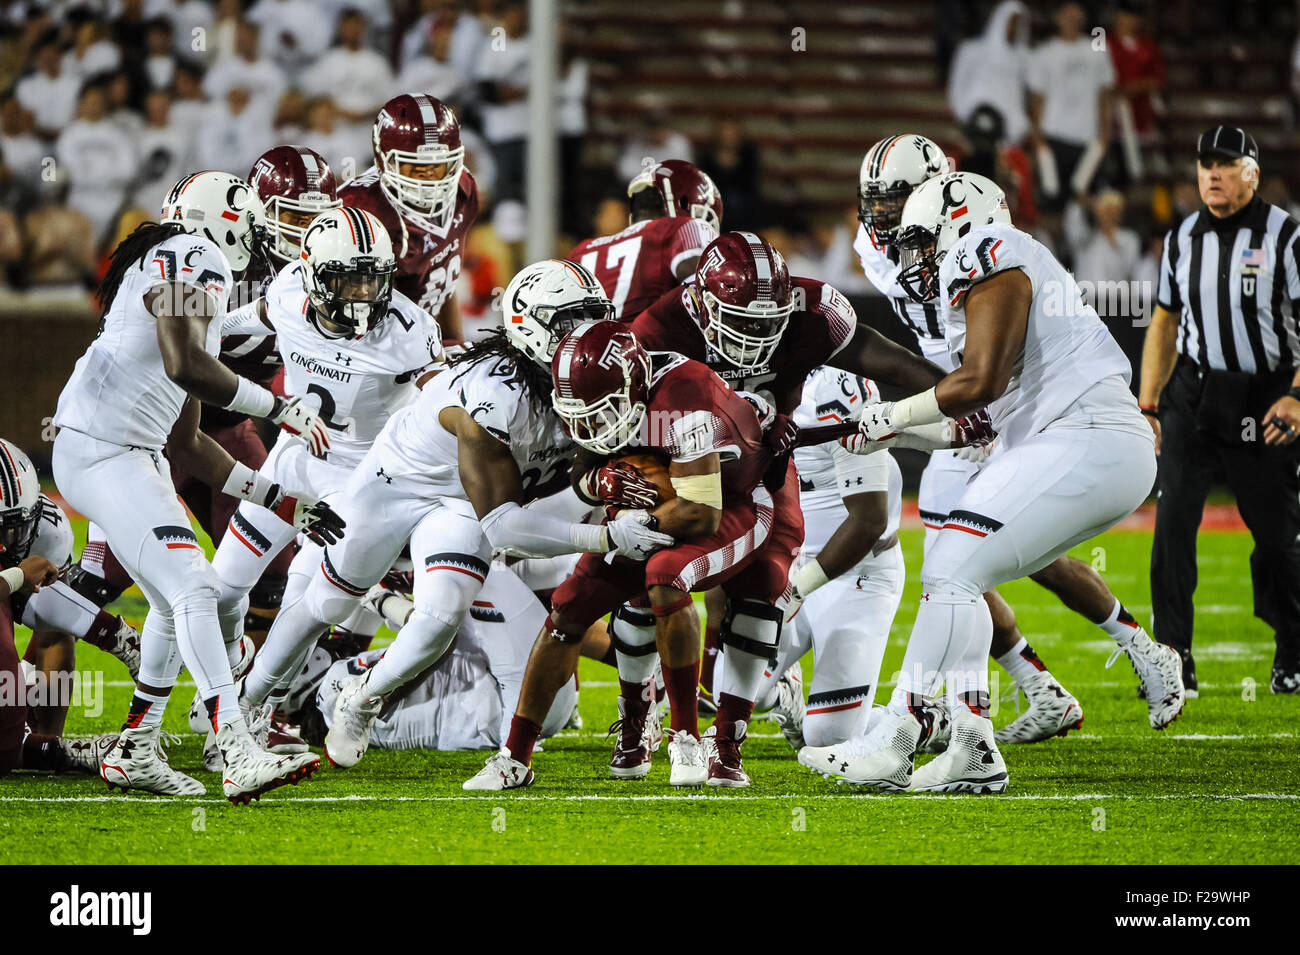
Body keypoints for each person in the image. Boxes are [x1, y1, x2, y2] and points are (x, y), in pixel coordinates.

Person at [801, 171, 1180, 794]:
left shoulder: (989, 253)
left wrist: (890, 414)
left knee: (952, 567)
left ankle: (900, 735)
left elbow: (979, 383)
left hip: (1085, 431)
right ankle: (973, 739)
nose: (913, 254)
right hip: (1061, 437)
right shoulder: (987, 266)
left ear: (962, 225)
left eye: (923, 238)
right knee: (958, 571)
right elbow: (971, 426)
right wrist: (889, 432)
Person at [244, 260, 665, 770]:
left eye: (590, 317)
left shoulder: (582, 378)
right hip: (399, 485)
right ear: (530, 326)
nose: (584, 334)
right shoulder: (493, 395)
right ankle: (244, 707)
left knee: (440, 615)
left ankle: (364, 699)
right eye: (567, 322)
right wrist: (607, 537)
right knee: (327, 603)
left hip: (463, 504)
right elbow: (505, 526)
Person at [51, 170, 342, 802]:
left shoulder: (185, 272)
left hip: (128, 450)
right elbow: (187, 365)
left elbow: (188, 442)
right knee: (196, 589)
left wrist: (279, 500)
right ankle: (236, 748)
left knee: (173, 598)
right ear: (228, 219)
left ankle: (135, 746)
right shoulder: (192, 252)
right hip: (106, 450)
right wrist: (279, 407)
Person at [464, 320, 784, 790]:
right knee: (570, 605)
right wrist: (601, 483)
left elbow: (700, 513)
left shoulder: (684, 392)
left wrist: (638, 526)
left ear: (634, 389)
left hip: (734, 501)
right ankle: (515, 756)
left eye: (601, 413)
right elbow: (582, 469)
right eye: (581, 416)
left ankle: (687, 738)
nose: (590, 427)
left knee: (665, 573)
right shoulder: (601, 397)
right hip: (666, 503)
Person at [209, 206, 443, 737]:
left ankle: (254, 714)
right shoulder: (290, 290)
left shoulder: (410, 330)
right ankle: (233, 672)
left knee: (305, 602)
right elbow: (254, 319)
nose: (363, 294)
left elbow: (442, 401)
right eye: (348, 279)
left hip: (358, 482)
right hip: (292, 462)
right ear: (314, 274)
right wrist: (205, 336)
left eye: (372, 279)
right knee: (220, 590)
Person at [1139, 126, 1300, 694]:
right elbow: (1163, 320)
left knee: (1278, 534)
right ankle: (1173, 656)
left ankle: (1293, 649)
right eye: (1205, 163)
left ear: (1251, 173)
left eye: (1225, 164)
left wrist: (1297, 396)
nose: (1212, 174)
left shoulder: (1287, 235)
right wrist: (1150, 403)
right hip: (1195, 390)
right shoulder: (1181, 237)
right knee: (1173, 522)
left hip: (1265, 396)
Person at [720, 367, 907, 751]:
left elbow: (869, 521)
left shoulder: (835, 389)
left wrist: (798, 590)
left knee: (828, 736)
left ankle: (923, 721)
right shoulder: (729, 378)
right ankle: (786, 686)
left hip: (855, 573)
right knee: (728, 687)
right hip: (789, 563)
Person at [339, 93, 479, 340]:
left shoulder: (463, 190)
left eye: (437, 166)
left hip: (423, 343)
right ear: (383, 159)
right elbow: (361, 325)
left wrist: (454, 344)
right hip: (367, 349)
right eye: (414, 167)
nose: (428, 178)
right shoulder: (363, 212)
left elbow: (442, 282)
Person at [567, 159, 721, 320]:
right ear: (681, 204)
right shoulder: (683, 227)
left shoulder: (581, 251)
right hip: (644, 343)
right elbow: (707, 296)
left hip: (586, 343)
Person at [1027, 2, 1116, 208]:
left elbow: (1105, 94)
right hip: (1054, 136)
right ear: (1057, 17)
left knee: (1085, 199)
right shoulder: (1043, 53)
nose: (1073, 18)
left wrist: (1105, 133)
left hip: (1089, 138)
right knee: (1052, 198)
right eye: (1067, 14)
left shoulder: (1097, 49)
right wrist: (1038, 138)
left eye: (1077, 13)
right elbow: (1037, 99)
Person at [946, 1, 1031, 145]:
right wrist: (967, 117)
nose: (1014, 28)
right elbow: (957, 86)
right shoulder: (971, 50)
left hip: (1010, 134)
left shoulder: (1026, 58)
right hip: (974, 123)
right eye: (1011, 22)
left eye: (1018, 24)